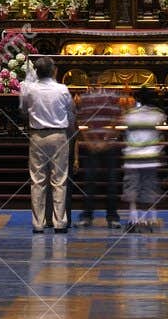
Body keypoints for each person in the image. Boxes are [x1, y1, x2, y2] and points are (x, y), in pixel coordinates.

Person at [18, 58, 75, 234]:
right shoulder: (62, 89)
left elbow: (22, 110)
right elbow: (71, 113)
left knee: (37, 181)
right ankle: (59, 222)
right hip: (59, 135)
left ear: (37, 72)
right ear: (53, 71)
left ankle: (38, 223)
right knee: (59, 180)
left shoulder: (30, 89)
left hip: (37, 135)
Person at [76, 85, 123, 227]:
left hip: (107, 146)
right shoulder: (85, 99)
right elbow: (81, 121)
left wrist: (106, 139)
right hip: (94, 145)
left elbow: (118, 120)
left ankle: (112, 216)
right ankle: (88, 215)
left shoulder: (113, 97)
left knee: (111, 182)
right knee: (91, 181)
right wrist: (90, 141)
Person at [122, 88, 166, 231]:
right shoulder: (157, 113)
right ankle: (149, 219)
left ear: (137, 99)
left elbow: (124, 124)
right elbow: (162, 119)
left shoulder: (130, 114)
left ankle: (133, 218)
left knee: (133, 188)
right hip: (151, 157)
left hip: (133, 157)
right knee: (148, 187)